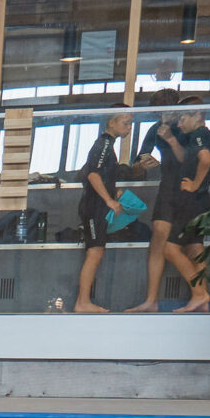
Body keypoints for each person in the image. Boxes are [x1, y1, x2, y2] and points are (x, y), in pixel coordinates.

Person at [132, 97, 210, 314]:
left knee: (192, 246)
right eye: (160, 113)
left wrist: (199, 184)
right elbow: (136, 165)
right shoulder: (159, 129)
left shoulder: (192, 130)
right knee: (161, 239)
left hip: (188, 194)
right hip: (170, 189)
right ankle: (153, 299)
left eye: (170, 112)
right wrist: (143, 165)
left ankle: (200, 296)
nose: (167, 118)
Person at [70, 111, 146, 313]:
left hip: (98, 206)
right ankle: (82, 302)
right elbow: (93, 175)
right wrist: (109, 200)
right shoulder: (103, 144)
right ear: (111, 122)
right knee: (94, 252)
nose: (129, 127)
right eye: (125, 123)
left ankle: (83, 301)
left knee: (97, 251)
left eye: (131, 124)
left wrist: (114, 193)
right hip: (93, 207)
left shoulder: (108, 146)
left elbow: (102, 177)